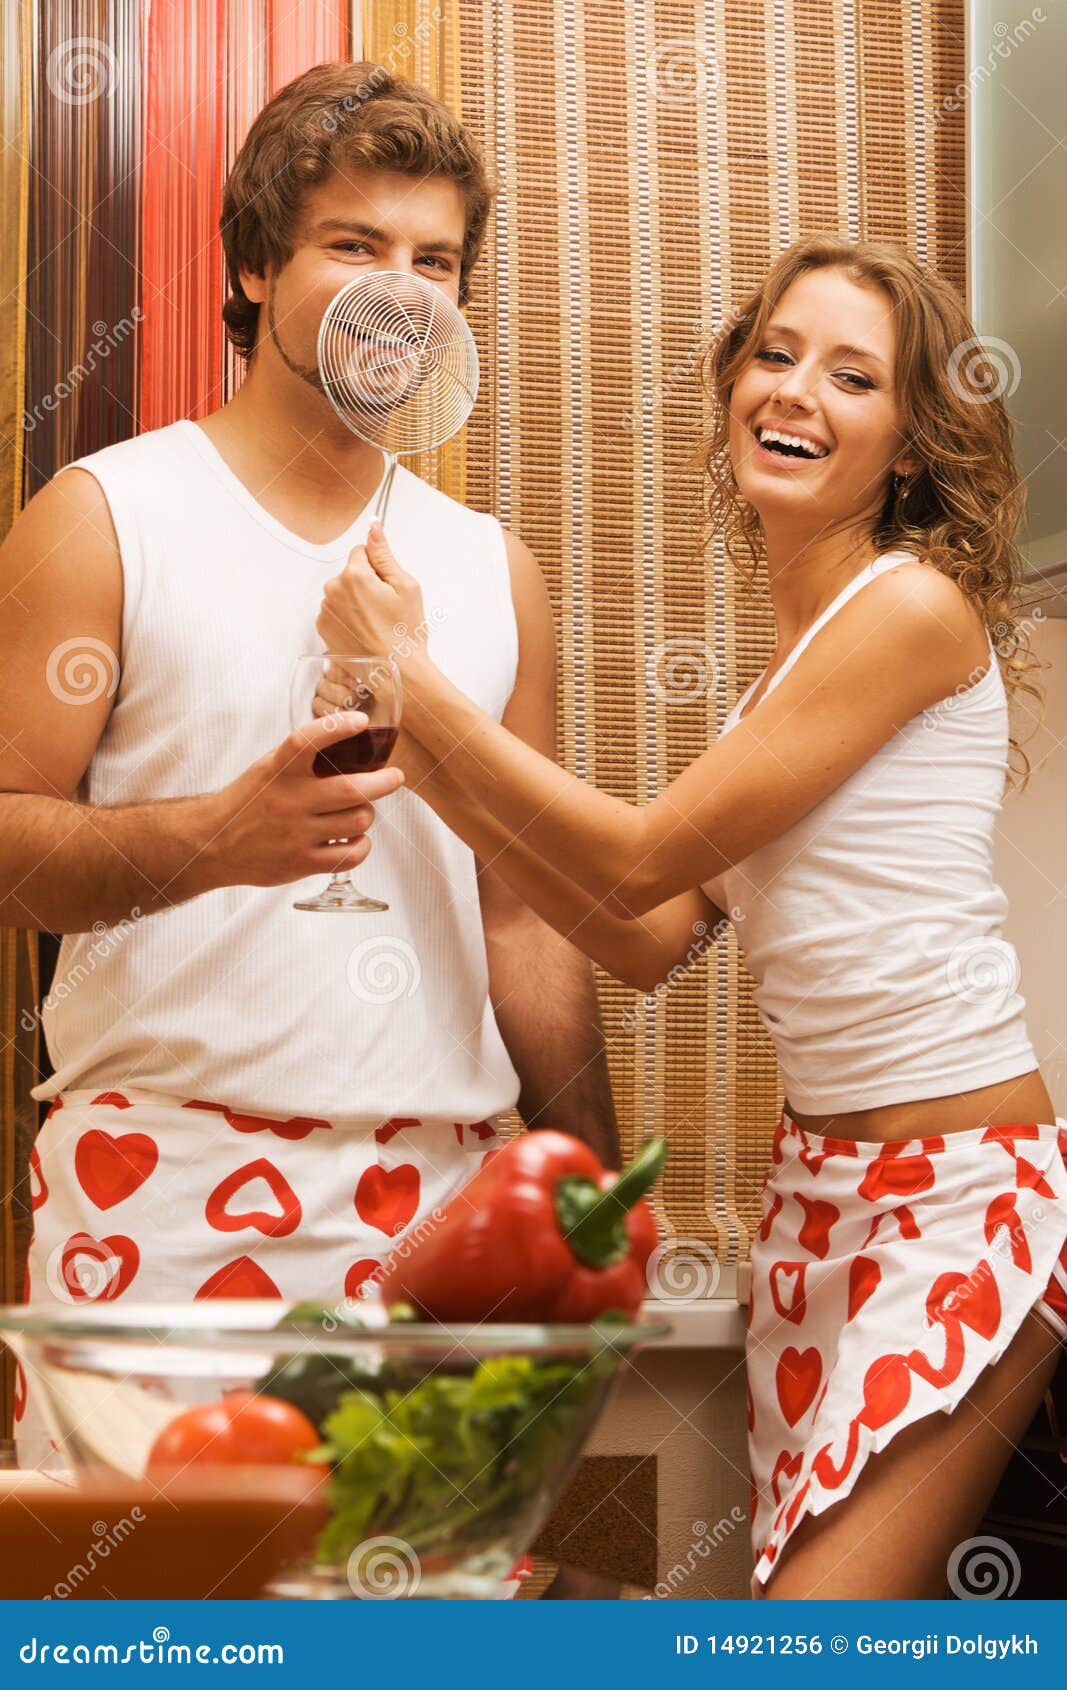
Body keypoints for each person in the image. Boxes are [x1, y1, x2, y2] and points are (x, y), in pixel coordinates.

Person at [315, 235, 1067, 1601]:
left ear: (909, 446)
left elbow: (648, 848)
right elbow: (643, 932)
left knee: (805, 1645)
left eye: (853, 374)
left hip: (960, 1199)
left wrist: (418, 690)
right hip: (819, 1214)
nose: (795, 390)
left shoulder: (907, 607)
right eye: (774, 354)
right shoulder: (783, 675)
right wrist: (415, 737)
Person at [0, 62, 618, 1515]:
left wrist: (594, 1200)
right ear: (257, 263)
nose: (400, 290)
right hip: (154, 1196)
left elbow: (525, 921)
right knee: (147, 1642)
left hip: (440, 1224)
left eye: (436, 261)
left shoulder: (489, 570)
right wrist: (218, 840)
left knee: (412, 1648)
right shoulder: (104, 520)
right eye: (355, 245)